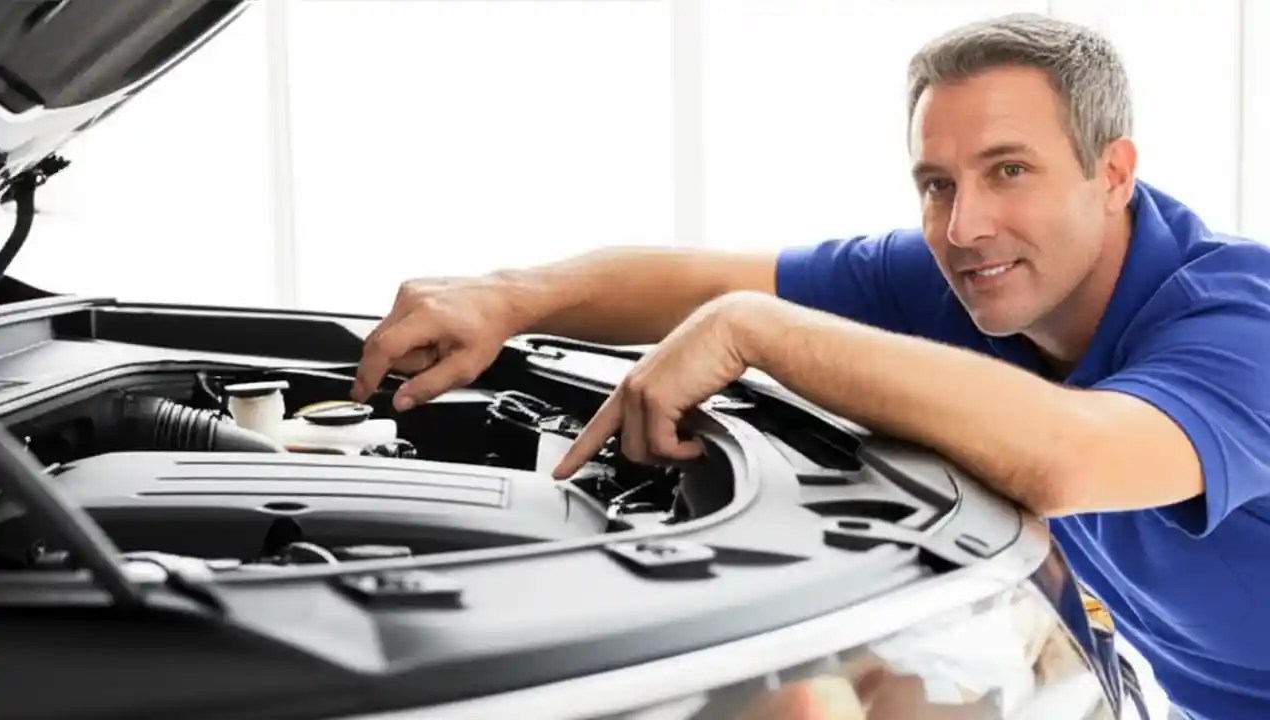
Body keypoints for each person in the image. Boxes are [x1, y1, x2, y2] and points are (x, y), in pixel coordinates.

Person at [350, 13, 1270, 720]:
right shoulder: (978, 278)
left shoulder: (1240, 318)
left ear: (1112, 172)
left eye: (1009, 171)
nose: (964, 227)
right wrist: (509, 295)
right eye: (936, 184)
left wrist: (761, 331)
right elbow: (703, 279)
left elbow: (1068, 460)